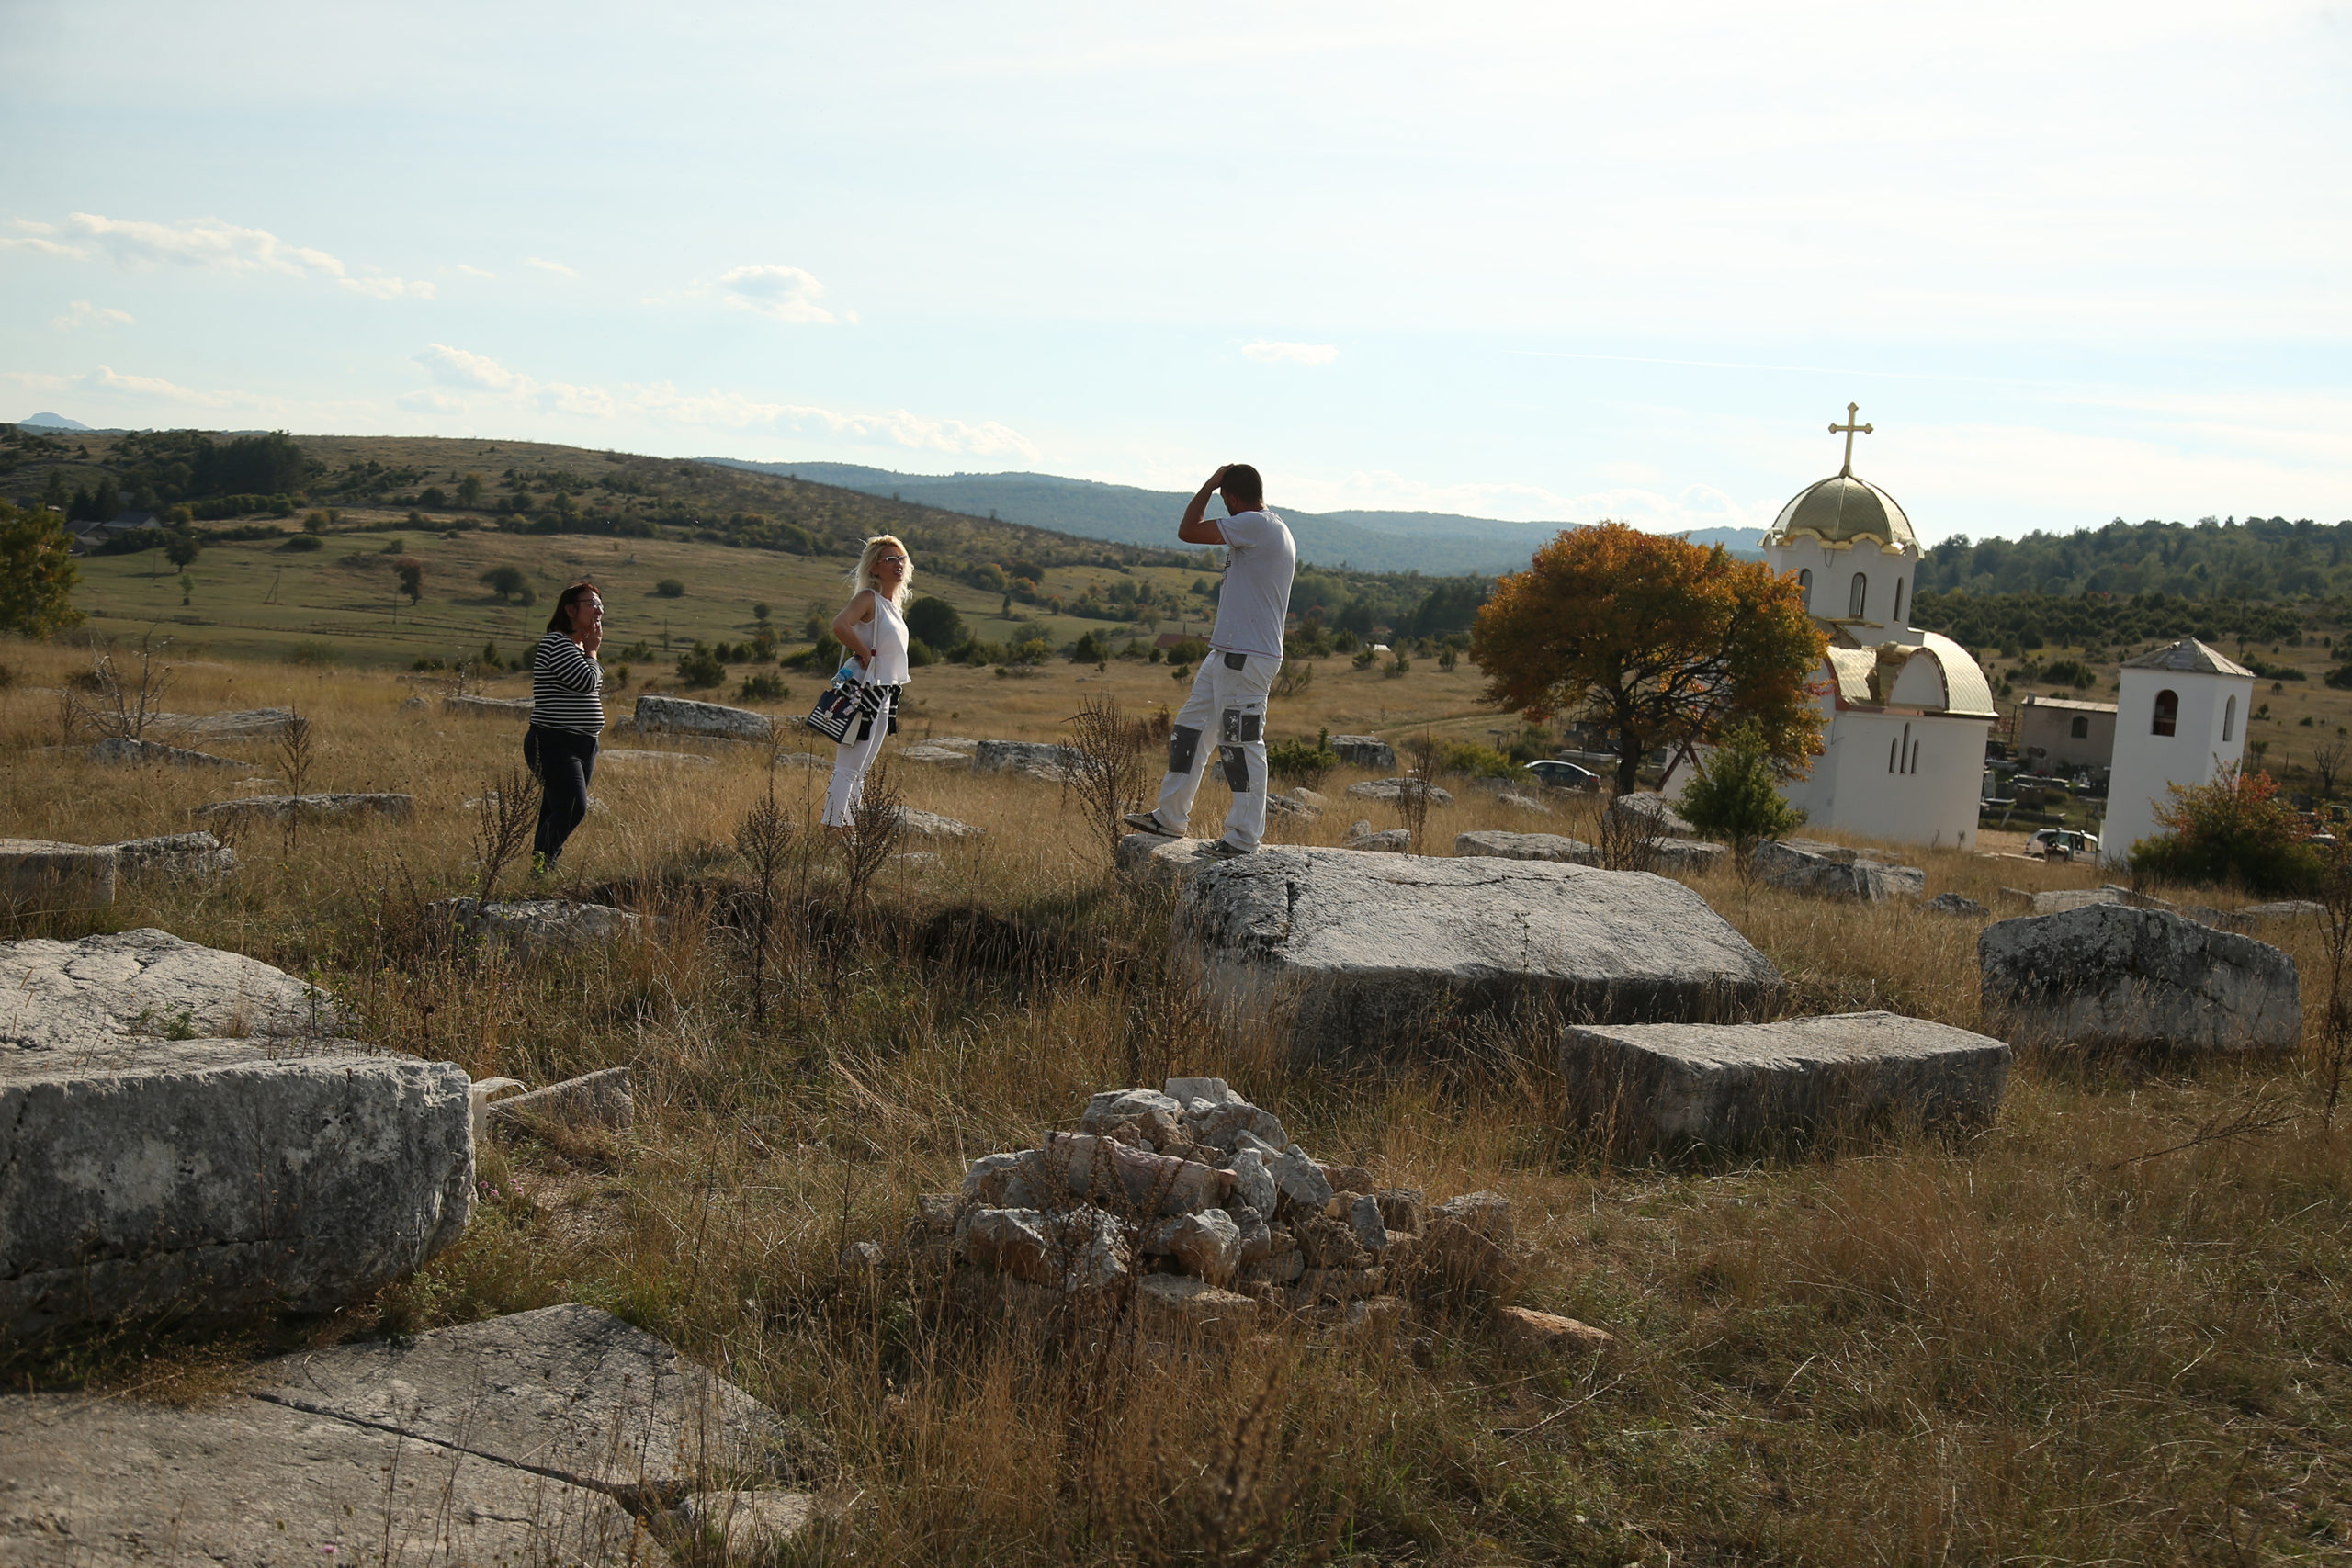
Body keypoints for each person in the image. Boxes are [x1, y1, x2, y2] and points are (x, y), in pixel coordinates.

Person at [1124, 464, 1296, 856]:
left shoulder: (1255, 524)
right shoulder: (1265, 526)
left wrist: (1208, 484)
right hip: (1227, 652)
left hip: (1247, 656)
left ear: (1232, 499)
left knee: (1240, 742)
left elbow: (1188, 530)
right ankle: (1170, 817)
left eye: (1224, 500)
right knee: (1191, 730)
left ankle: (1242, 837)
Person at [822, 534, 913, 834]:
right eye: (890, 559)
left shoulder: (893, 607)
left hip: (884, 694)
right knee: (848, 769)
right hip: (863, 691)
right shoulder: (868, 599)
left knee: (860, 772)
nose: (898, 565)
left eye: (900, 558)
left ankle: (847, 829)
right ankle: (834, 831)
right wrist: (863, 652)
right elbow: (840, 624)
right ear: (875, 568)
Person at [526, 581, 604, 876]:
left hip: (583, 743)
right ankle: (541, 869)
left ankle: (541, 872)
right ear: (570, 609)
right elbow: (585, 682)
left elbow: (588, 682)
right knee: (573, 807)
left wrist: (589, 651)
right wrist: (594, 652)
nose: (598, 611)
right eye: (591, 604)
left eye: (601, 606)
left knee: (555, 810)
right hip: (554, 740)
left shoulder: (578, 648)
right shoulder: (556, 642)